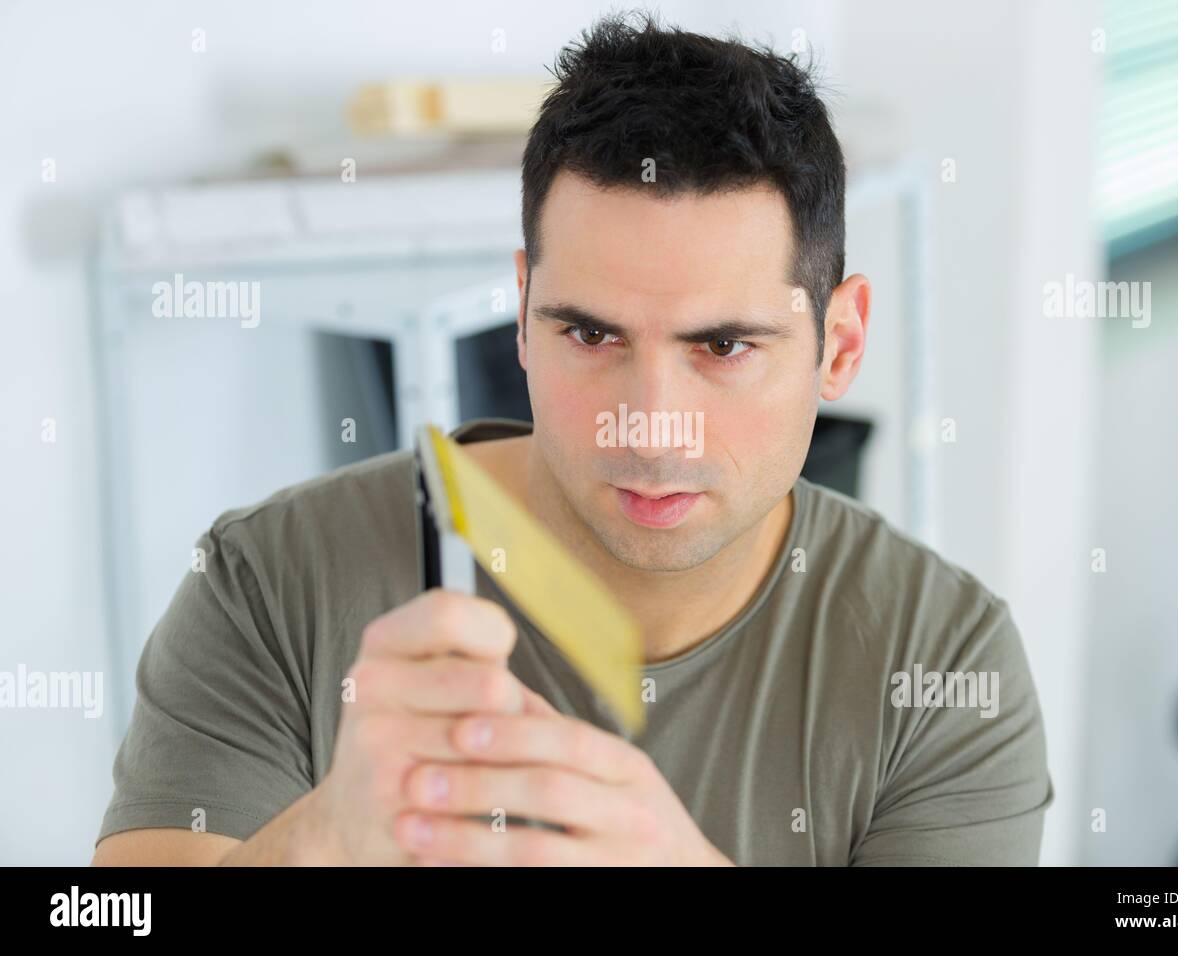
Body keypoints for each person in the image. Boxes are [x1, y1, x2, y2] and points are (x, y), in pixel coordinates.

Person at [92, 11, 1052, 866]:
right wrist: (324, 842)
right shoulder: (272, 583)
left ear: (837, 345)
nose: (648, 421)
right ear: (520, 313)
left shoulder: (942, 668)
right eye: (590, 335)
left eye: (723, 346)